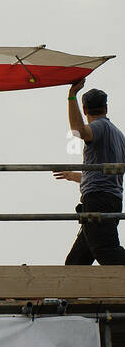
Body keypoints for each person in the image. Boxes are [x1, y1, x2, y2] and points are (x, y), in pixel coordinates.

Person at [55, 81, 125, 265]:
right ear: (106, 107)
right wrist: (73, 176)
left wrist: (72, 96)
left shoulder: (100, 127)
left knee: (106, 251)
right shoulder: (119, 136)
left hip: (98, 201)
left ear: (85, 110)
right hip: (110, 200)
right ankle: (66, 293)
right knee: (76, 262)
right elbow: (105, 176)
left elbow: (79, 132)